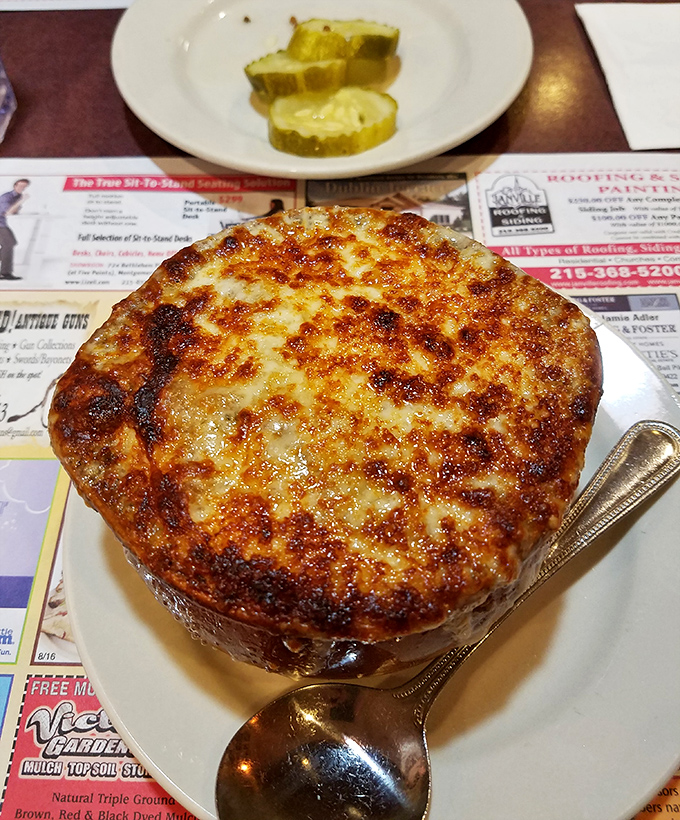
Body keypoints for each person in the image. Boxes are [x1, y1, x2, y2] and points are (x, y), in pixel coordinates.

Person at [0, 178, 30, 280]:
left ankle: (5, 271)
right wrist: (22, 200)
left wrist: (19, 202)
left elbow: (14, 211)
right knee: (8, 244)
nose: (22, 188)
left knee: (11, 243)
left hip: (2, 223)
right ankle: (5, 273)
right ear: (15, 186)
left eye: (24, 187)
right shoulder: (6, 197)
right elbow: (8, 212)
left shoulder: (18, 196)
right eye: (20, 186)